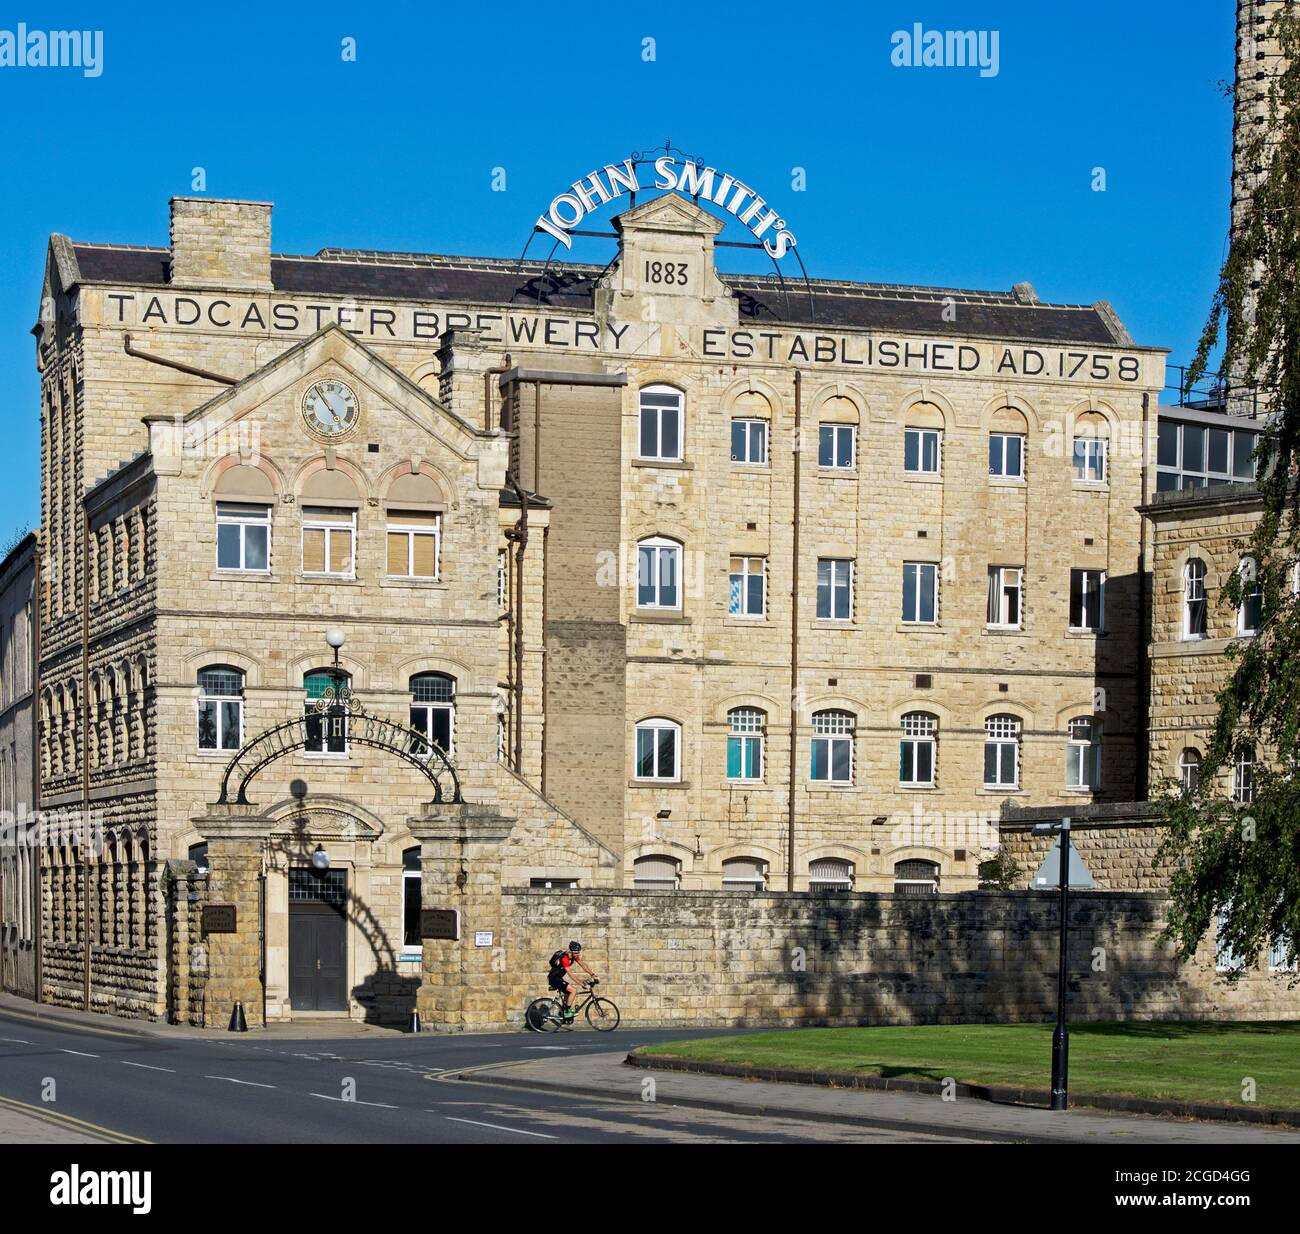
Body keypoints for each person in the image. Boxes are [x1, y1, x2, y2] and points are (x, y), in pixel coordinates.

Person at [547, 940, 596, 1019]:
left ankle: (562, 1012)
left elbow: (583, 965)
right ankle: (566, 1012)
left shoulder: (574, 956)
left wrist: (593, 975)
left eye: (578, 952)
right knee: (573, 990)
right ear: (571, 951)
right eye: (576, 952)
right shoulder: (565, 959)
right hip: (554, 978)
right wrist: (583, 984)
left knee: (569, 993)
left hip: (558, 978)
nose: (577, 954)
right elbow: (571, 975)